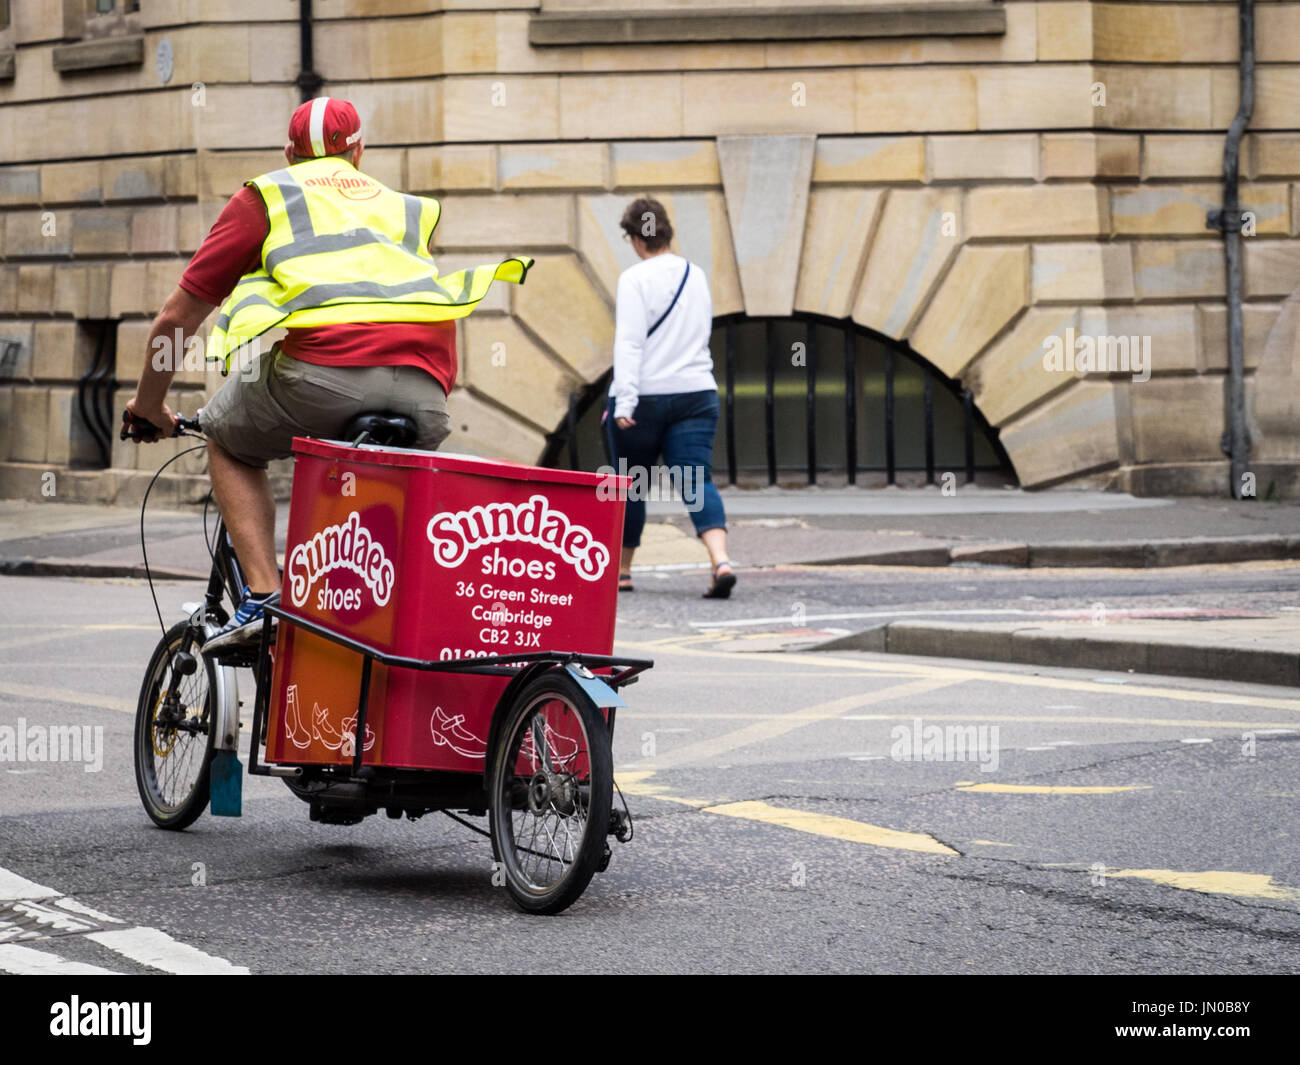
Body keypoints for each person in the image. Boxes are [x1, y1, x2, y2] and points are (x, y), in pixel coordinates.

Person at [124, 96, 530, 650]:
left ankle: (265, 598)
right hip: (427, 394)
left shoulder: (266, 197)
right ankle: (386, 612)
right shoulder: (401, 206)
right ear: (360, 151)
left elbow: (177, 318)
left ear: (289, 154)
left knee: (228, 436)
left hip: (325, 373)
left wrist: (149, 407)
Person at [606, 197, 734, 599]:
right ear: (666, 232)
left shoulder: (634, 279)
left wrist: (624, 403)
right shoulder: (695, 274)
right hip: (696, 392)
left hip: (645, 399)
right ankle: (720, 559)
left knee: (631, 483)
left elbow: (628, 344)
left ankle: (623, 572)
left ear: (634, 238)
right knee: (696, 479)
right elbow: (701, 332)